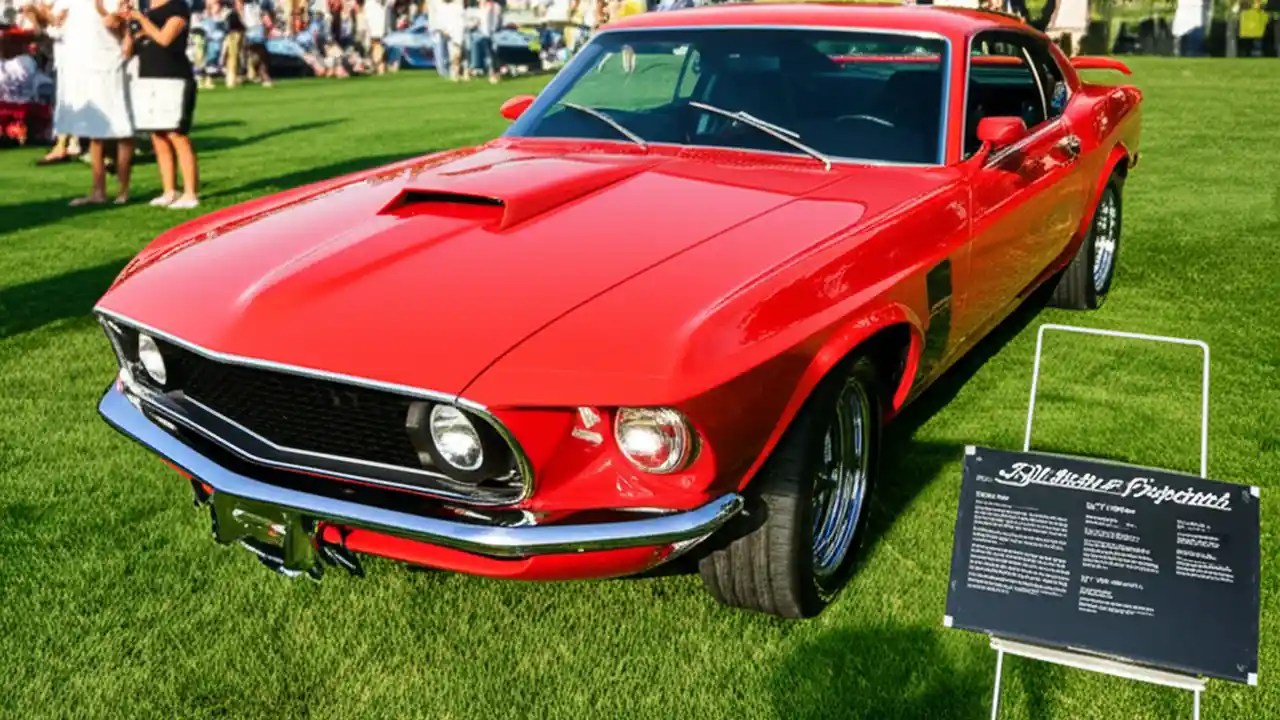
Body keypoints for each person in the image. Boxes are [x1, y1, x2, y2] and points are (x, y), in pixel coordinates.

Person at [54, 0, 134, 205]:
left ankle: (123, 191)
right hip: (86, 65)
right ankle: (98, 191)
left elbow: (123, 20)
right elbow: (56, 23)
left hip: (111, 62)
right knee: (95, 129)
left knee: (121, 127)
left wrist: (115, 21)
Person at [128, 0, 199, 208]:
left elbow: (165, 39)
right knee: (157, 135)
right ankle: (169, 190)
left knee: (176, 133)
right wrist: (130, 28)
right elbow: (130, 49)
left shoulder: (177, 8)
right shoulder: (148, 11)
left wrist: (142, 20)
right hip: (149, 76)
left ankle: (190, 192)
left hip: (173, 77)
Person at [238, 0, 272, 85]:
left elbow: (264, 15)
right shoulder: (245, 6)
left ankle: (262, 75)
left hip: (257, 30)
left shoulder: (258, 4)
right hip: (250, 30)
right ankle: (258, 74)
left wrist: (267, 26)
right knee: (257, 54)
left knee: (260, 54)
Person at [470, 0, 500, 83]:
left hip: (491, 34)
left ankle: (493, 74)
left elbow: (496, 21)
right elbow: (478, 21)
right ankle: (487, 72)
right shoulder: (480, 8)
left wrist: (492, 32)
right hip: (481, 34)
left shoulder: (494, 7)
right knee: (486, 54)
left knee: (491, 54)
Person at [364, 0, 388, 74]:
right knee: (373, 40)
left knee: (376, 40)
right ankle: (378, 66)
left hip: (376, 9)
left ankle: (378, 67)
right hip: (370, 8)